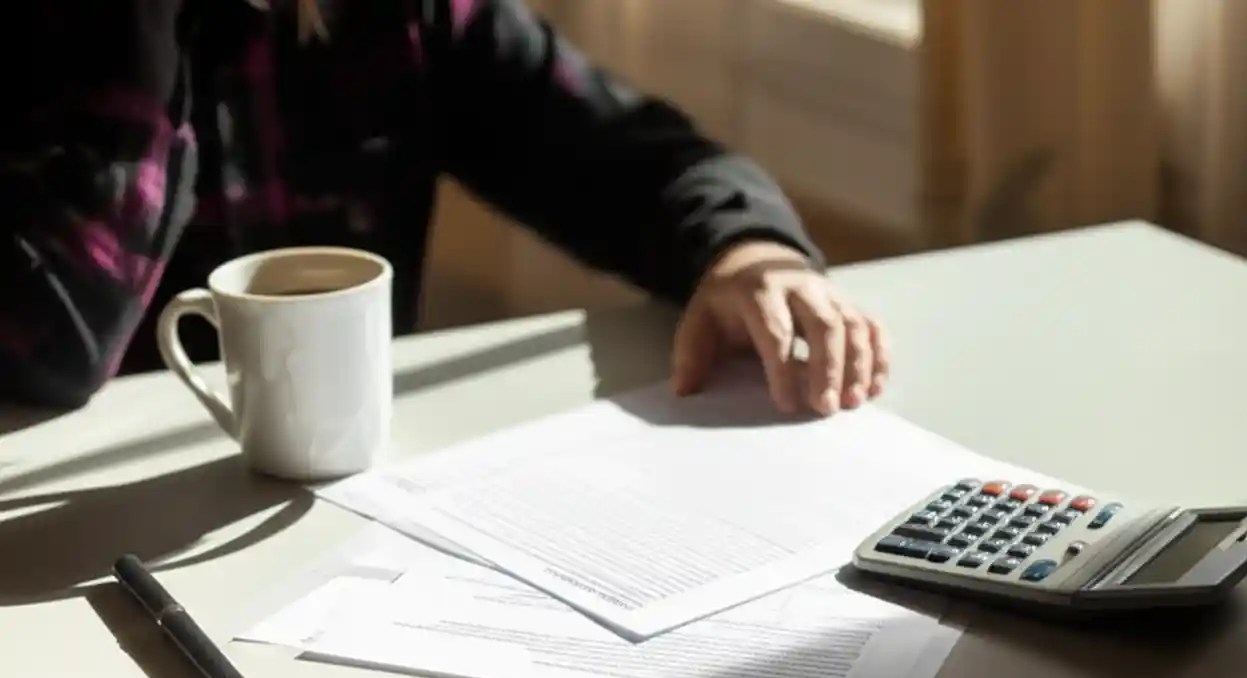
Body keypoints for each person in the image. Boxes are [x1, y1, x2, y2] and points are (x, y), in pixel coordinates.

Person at [1, 0, 888, 416]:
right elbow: (51, 351)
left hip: (326, 538)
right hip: (72, 563)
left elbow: (621, 155)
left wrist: (743, 250)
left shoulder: (391, 20)